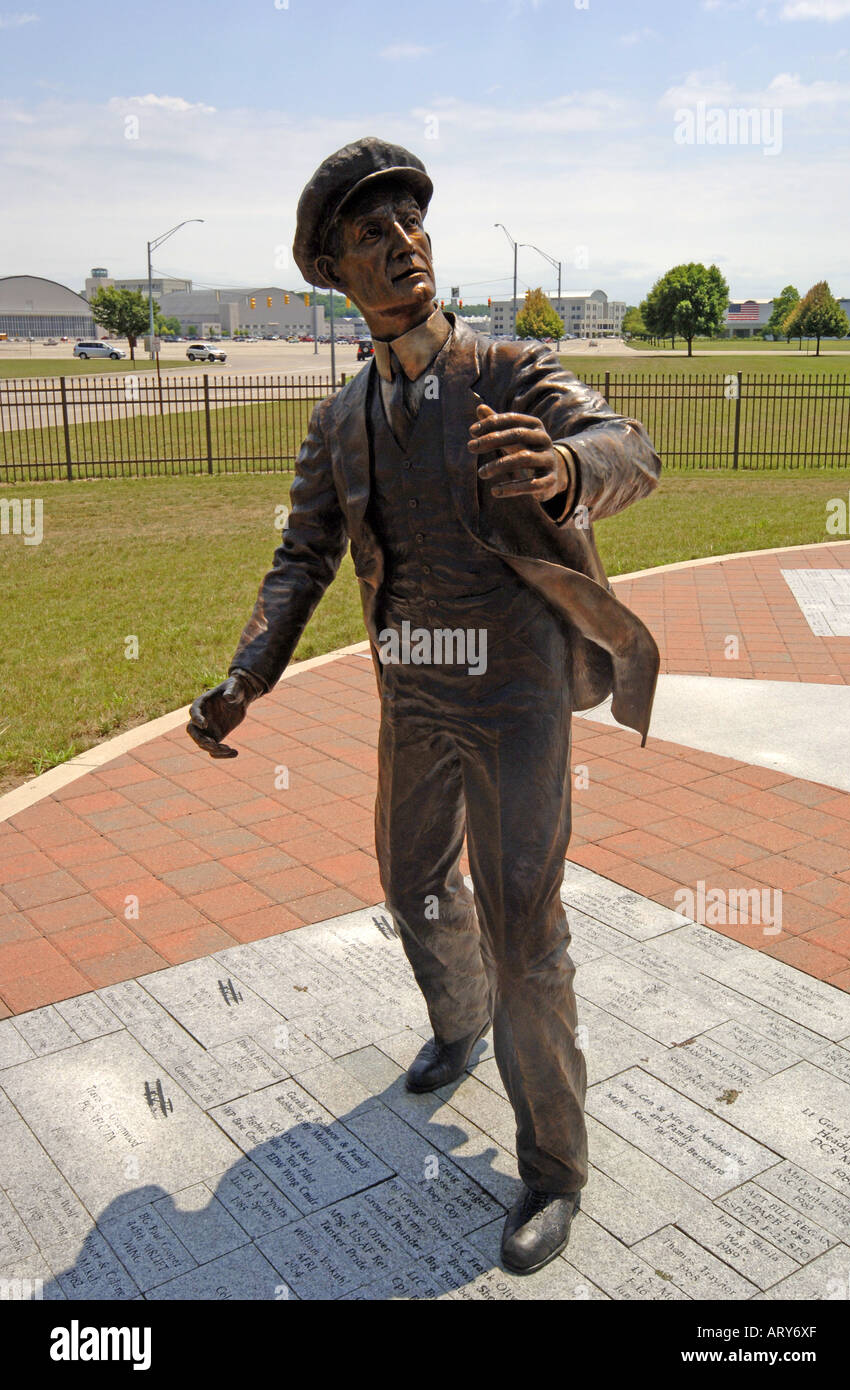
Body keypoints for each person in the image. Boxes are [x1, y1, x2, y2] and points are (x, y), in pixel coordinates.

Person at [188, 138, 661, 1275]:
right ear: (333, 274)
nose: (401, 243)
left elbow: (627, 446)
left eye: (411, 223)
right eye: (371, 234)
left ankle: (551, 1166)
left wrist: (558, 468)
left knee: (526, 931)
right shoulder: (340, 423)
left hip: (513, 695)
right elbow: (300, 559)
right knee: (410, 886)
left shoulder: (508, 370)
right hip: (413, 694)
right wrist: (247, 675)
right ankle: (458, 1025)